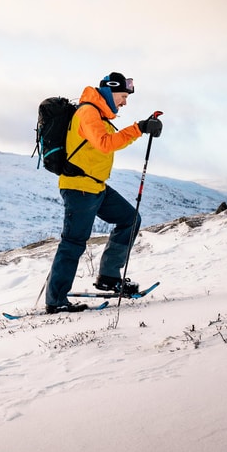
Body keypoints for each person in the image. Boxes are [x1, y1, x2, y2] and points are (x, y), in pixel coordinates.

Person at [44, 72, 162, 314]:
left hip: (96, 186)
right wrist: (139, 128)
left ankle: (108, 276)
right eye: (122, 96)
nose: (124, 102)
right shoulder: (88, 112)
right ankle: (55, 300)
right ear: (109, 92)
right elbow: (106, 143)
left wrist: (141, 127)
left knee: (130, 219)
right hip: (79, 188)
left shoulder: (98, 114)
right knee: (73, 243)